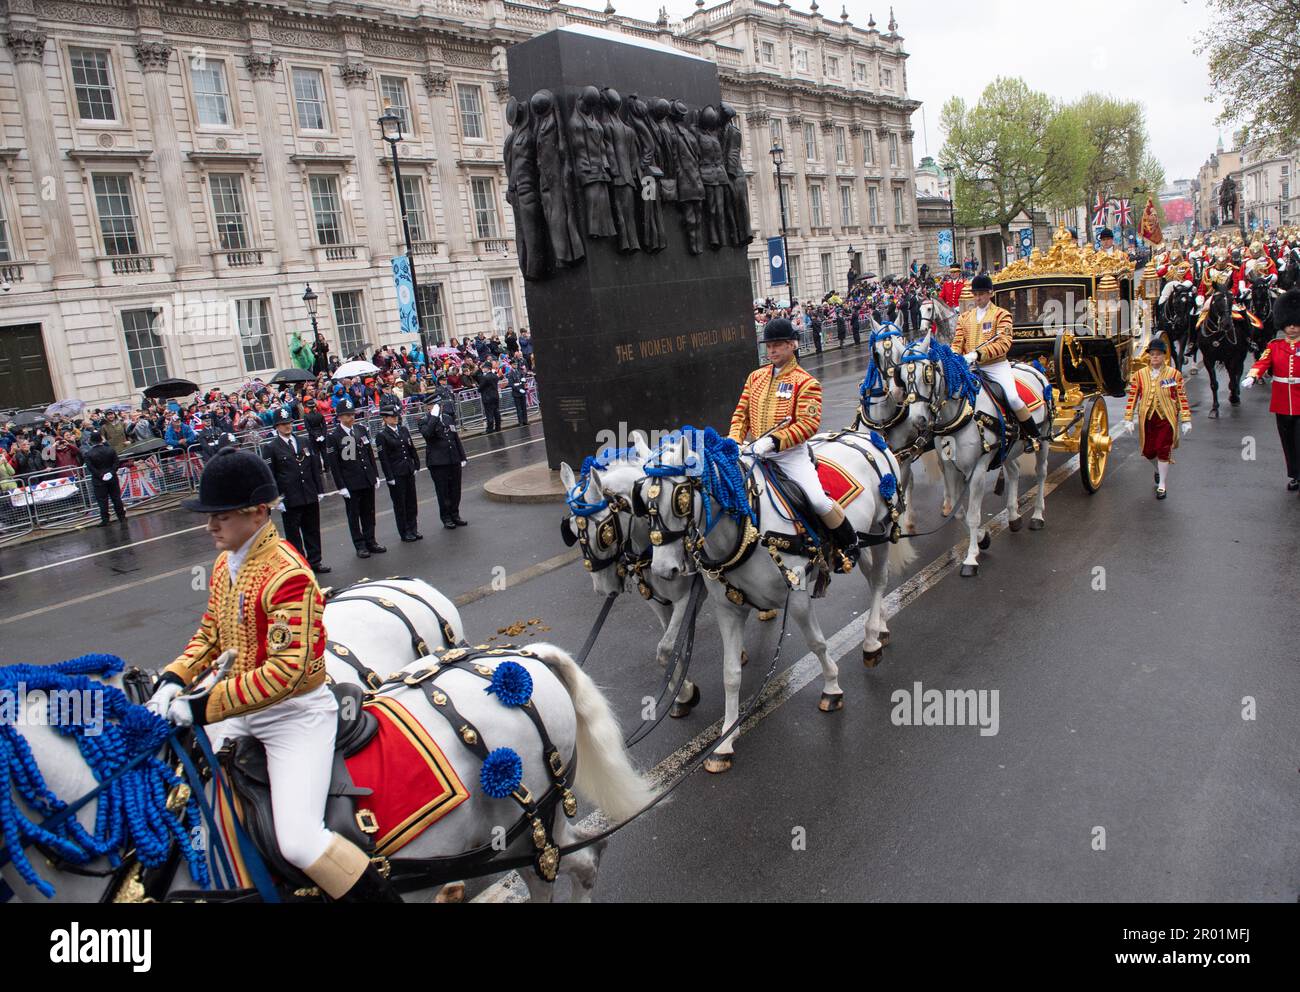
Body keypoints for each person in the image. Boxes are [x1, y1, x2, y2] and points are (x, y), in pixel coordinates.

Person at [145, 448, 400, 902]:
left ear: (258, 512)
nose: (210, 526)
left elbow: (289, 673)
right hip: (239, 709)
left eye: (220, 516)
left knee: (300, 841)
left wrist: (201, 707)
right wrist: (174, 678)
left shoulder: (287, 574)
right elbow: (211, 634)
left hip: (293, 718)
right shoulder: (227, 564)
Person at [727, 317, 858, 567]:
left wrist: (774, 442)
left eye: (779, 344)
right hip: (753, 451)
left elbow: (807, 424)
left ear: (793, 345)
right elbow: (740, 415)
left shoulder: (806, 382)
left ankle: (847, 544)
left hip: (789, 455)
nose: (772, 350)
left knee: (818, 500)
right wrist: (735, 440)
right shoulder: (755, 377)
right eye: (769, 345)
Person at [952, 273, 1042, 450]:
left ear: (990, 293)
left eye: (982, 294)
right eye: (976, 294)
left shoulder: (1002, 315)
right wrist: (955, 355)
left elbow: (1003, 344)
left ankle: (1033, 435)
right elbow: (957, 342)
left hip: (996, 366)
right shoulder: (964, 318)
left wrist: (979, 354)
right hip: (970, 367)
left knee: (1014, 398)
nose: (978, 298)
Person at [1243, 288, 1300, 491]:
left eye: (1296, 325)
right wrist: (1252, 375)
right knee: (1287, 442)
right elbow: (1263, 362)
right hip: (1282, 399)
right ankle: (1294, 475)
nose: (1292, 329)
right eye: (1289, 325)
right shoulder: (1275, 345)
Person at [1123, 340, 1192, 500]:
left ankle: (1162, 484)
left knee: (1163, 448)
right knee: (1148, 451)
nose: (1154, 357)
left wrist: (1186, 419)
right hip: (1146, 416)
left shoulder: (1174, 374)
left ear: (1163, 356)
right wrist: (1128, 418)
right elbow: (1133, 397)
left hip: (1166, 416)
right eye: (1152, 355)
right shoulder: (1140, 375)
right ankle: (1158, 469)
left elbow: (1181, 397)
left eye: (1157, 355)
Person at [264, 409, 329, 574]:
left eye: (289, 423)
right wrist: (276, 499)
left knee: (312, 529)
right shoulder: (271, 447)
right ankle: (300, 565)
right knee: (294, 535)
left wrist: (319, 489)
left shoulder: (304, 441)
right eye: (283, 424)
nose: (287, 427)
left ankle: (315, 561)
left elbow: (314, 466)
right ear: (277, 426)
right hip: (290, 497)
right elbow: (271, 475)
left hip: (308, 492)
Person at [326, 398, 386, 558]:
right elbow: (335, 464)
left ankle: (371, 541)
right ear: (339, 417)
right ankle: (360, 545)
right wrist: (341, 486)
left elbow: (368, 454)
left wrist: (375, 475)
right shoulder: (334, 436)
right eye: (346, 415)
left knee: (369, 512)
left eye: (352, 414)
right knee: (354, 515)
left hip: (366, 478)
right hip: (350, 481)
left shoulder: (360, 429)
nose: (351, 418)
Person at [375, 399, 421, 542]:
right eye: (392, 416)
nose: (396, 418)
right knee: (400, 504)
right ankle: (405, 531)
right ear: (385, 418)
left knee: (411, 502)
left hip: (407, 469)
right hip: (396, 473)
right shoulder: (382, 435)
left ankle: (413, 528)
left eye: (396, 416)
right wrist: (389, 477)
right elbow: (384, 458)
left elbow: (410, 447)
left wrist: (416, 464)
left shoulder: (403, 430)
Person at [419, 397, 468, 529]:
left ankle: (455, 514)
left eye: (439, 405)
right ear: (427, 407)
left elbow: (455, 437)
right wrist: (434, 417)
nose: (438, 407)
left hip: (453, 459)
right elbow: (428, 435)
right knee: (443, 492)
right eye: (434, 405)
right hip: (439, 463)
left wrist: (462, 456)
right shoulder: (424, 421)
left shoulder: (447, 418)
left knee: (455, 489)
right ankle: (446, 517)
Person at [82, 431, 128, 525]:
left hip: (98, 480)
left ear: (91, 441)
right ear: (101, 439)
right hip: (112, 478)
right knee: (116, 498)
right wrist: (111, 473)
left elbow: (91, 468)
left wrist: (100, 475)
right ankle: (121, 517)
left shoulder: (89, 454)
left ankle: (105, 520)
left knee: (102, 501)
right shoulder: (110, 450)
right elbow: (116, 462)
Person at [477, 361, 502, 433]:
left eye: (484, 368)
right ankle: (498, 426)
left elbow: (480, 387)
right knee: (496, 411)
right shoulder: (495, 376)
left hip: (487, 397)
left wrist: (479, 389)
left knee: (489, 413)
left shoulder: (485, 377)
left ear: (487, 368)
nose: (483, 369)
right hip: (495, 396)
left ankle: (490, 428)